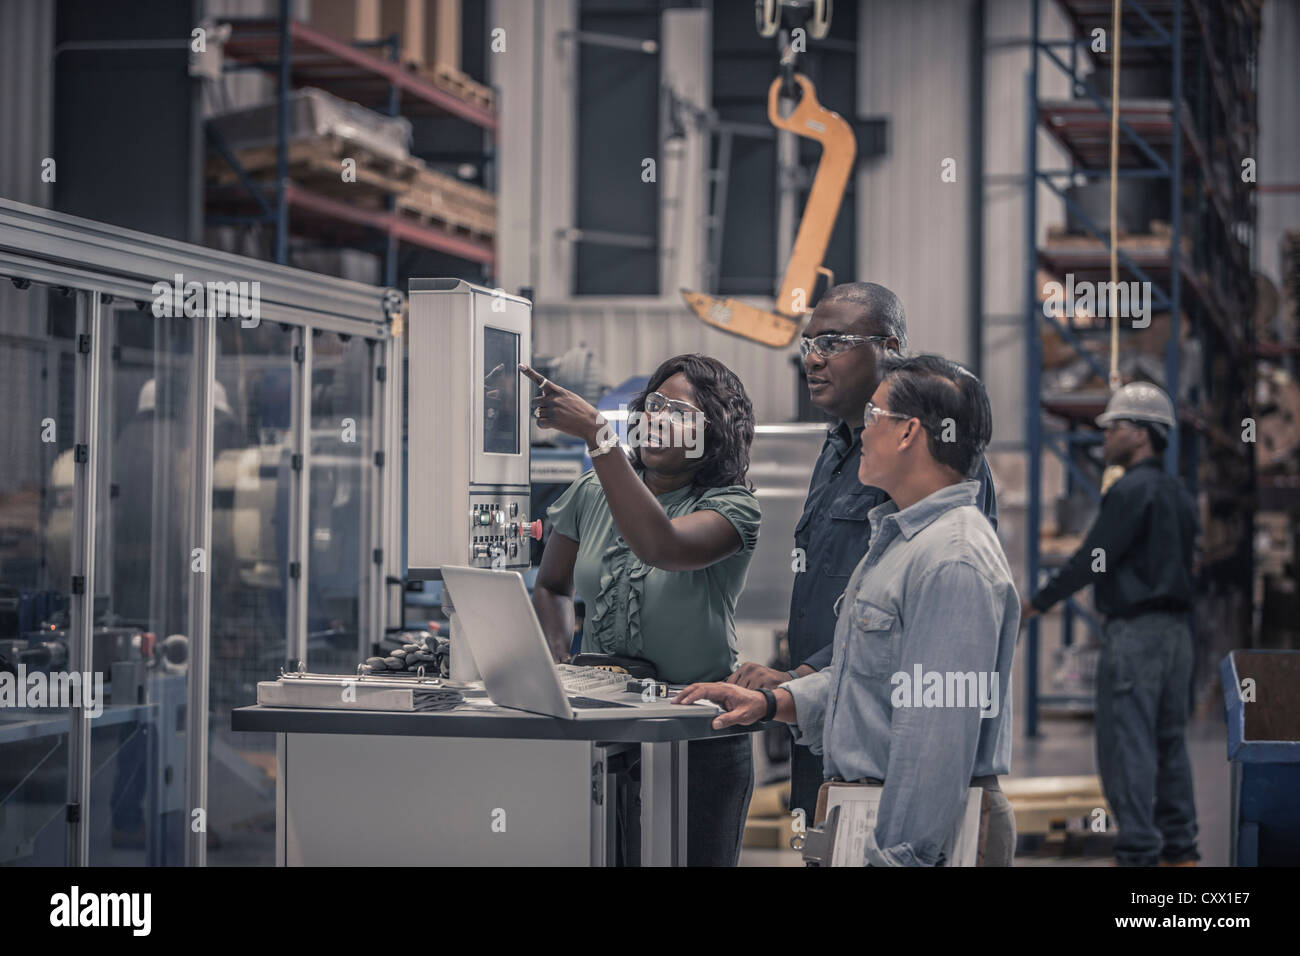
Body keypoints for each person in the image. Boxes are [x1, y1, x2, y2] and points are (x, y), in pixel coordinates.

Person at [677, 354, 1019, 866]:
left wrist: (896, 857)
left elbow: (935, 739)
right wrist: (774, 702)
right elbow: (868, 680)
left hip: (915, 841)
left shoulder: (953, 560)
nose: (862, 431)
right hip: (872, 816)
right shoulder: (900, 541)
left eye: (873, 416)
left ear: (908, 433)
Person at [725, 282, 998, 821]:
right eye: (809, 345)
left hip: (883, 747)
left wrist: (804, 680)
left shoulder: (945, 503)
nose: (813, 359)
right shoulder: (837, 449)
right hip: (827, 723)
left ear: (889, 348)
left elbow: (930, 677)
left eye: (833, 342)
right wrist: (790, 688)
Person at [525, 354, 761, 866]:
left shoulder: (733, 507)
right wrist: (558, 665)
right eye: (653, 404)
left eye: (678, 412)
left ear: (714, 431)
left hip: (696, 731)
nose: (657, 418)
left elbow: (663, 547)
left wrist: (598, 437)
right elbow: (552, 586)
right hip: (603, 725)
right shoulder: (591, 491)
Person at [1021, 382, 1199, 867]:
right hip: (1177, 636)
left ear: (1142, 434)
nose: (1105, 436)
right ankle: (1181, 851)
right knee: (1169, 742)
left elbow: (1092, 560)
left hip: (1136, 635)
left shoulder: (1129, 491)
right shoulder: (1180, 495)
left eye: (1114, 427)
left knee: (1127, 745)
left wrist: (1037, 603)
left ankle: (1139, 854)